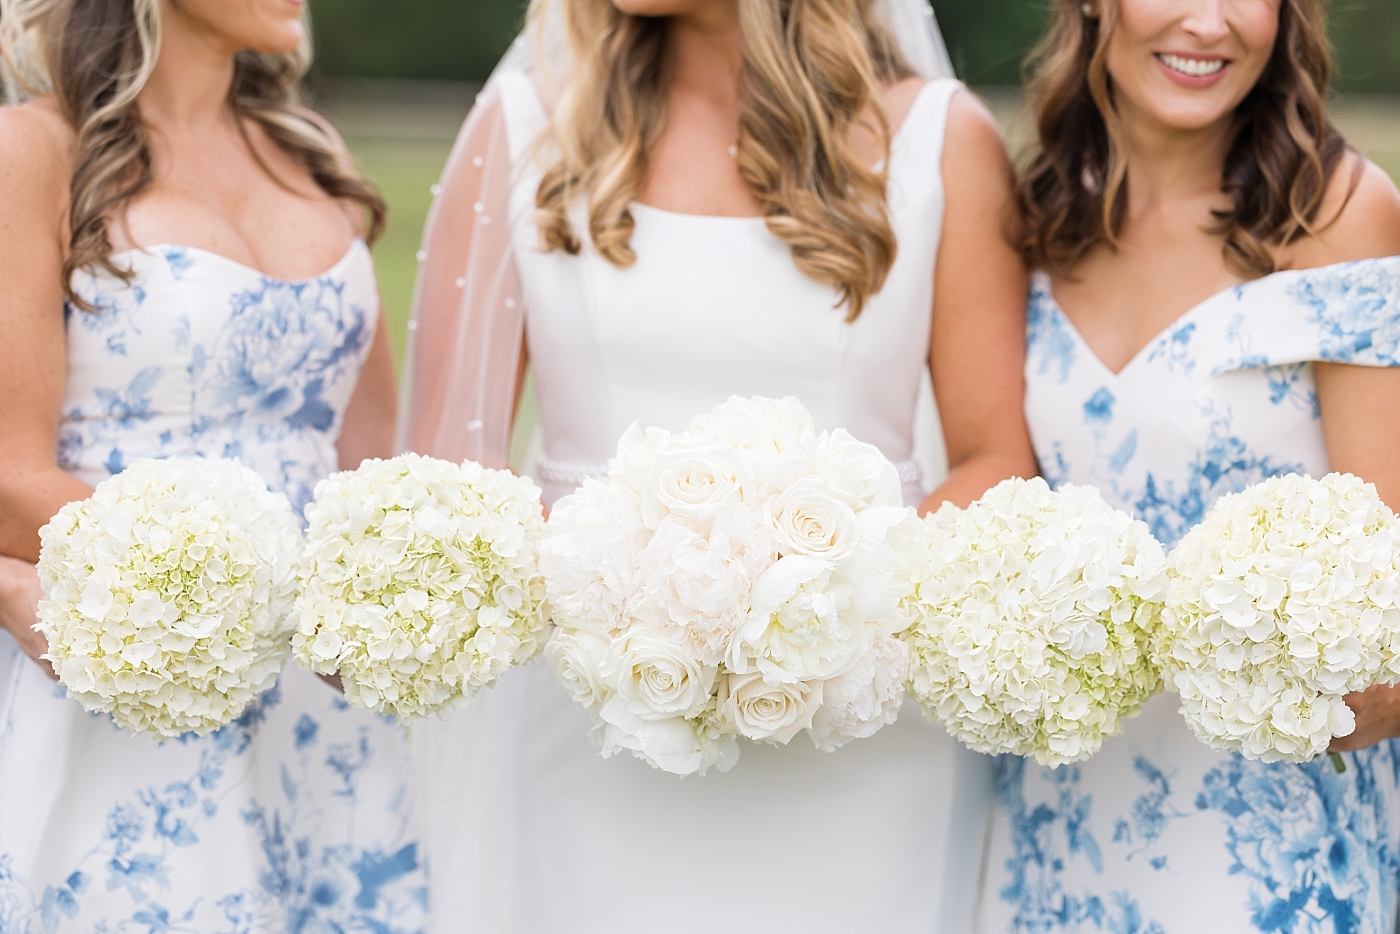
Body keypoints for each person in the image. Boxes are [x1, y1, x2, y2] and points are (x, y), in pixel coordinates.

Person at [399, 0, 1035, 930]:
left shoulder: (941, 139)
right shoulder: (528, 126)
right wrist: (637, 608)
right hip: (595, 732)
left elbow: (993, 456)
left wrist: (820, 606)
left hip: (860, 743)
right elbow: (447, 471)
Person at [0, 1, 427, 929]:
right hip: (136, 678)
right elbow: (5, 474)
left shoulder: (311, 149)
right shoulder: (33, 153)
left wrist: (401, 592)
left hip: (325, 707)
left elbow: (372, 457)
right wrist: (216, 599)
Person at [978, 0, 1400, 930]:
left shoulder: (1338, 214)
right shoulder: (1043, 214)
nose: (1208, 23)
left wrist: (1326, 697)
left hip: (1265, 831)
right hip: (1063, 807)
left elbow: (1392, 568)